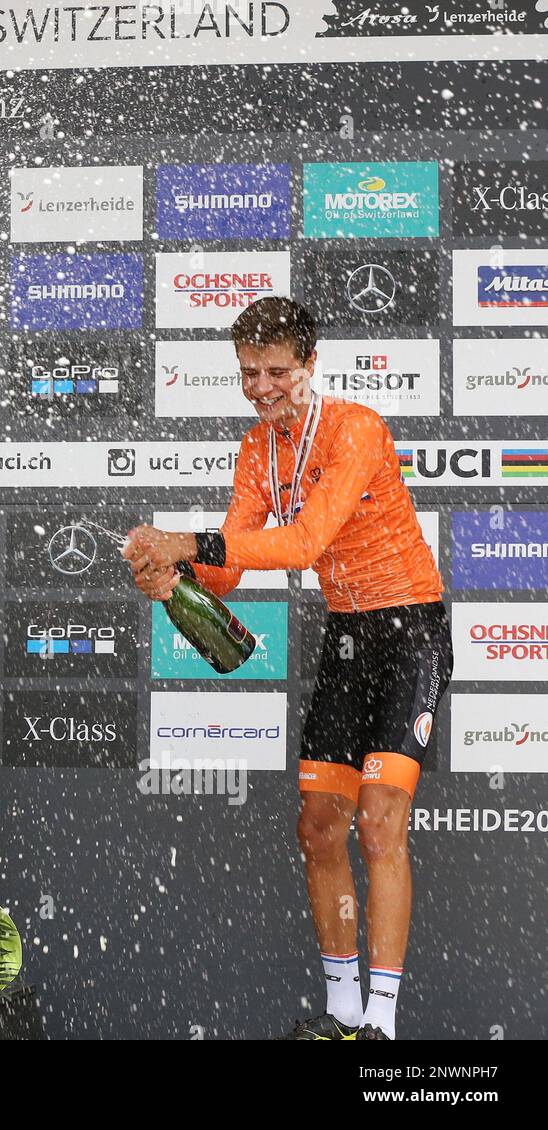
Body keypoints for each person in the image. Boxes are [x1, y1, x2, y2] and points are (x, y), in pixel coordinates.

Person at [123, 296, 452, 1041]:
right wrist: (169, 577)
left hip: (411, 634)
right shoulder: (256, 451)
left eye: (276, 371)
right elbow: (229, 573)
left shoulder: (355, 429)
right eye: (248, 373)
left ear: (309, 366)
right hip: (348, 636)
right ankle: (339, 1015)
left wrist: (186, 542)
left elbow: (302, 545)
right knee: (318, 826)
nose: (263, 387)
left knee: (378, 824)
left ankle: (383, 1026)